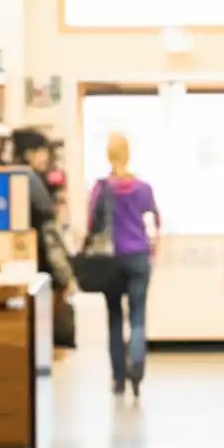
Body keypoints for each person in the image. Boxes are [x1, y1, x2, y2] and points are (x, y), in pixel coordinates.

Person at [90, 133, 159, 397]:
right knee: (138, 315)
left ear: (109, 155)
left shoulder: (102, 188)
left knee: (115, 317)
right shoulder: (142, 187)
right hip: (139, 256)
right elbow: (155, 218)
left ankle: (118, 378)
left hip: (111, 260)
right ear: (128, 154)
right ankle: (137, 370)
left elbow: (91, 223)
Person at [4, 130, 76, 345]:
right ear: (27, 153)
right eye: (40, 151)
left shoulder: (15, 176)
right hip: (38, 255)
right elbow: (47, 219)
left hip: (26, 255)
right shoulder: (29, 178)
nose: (45, 157)